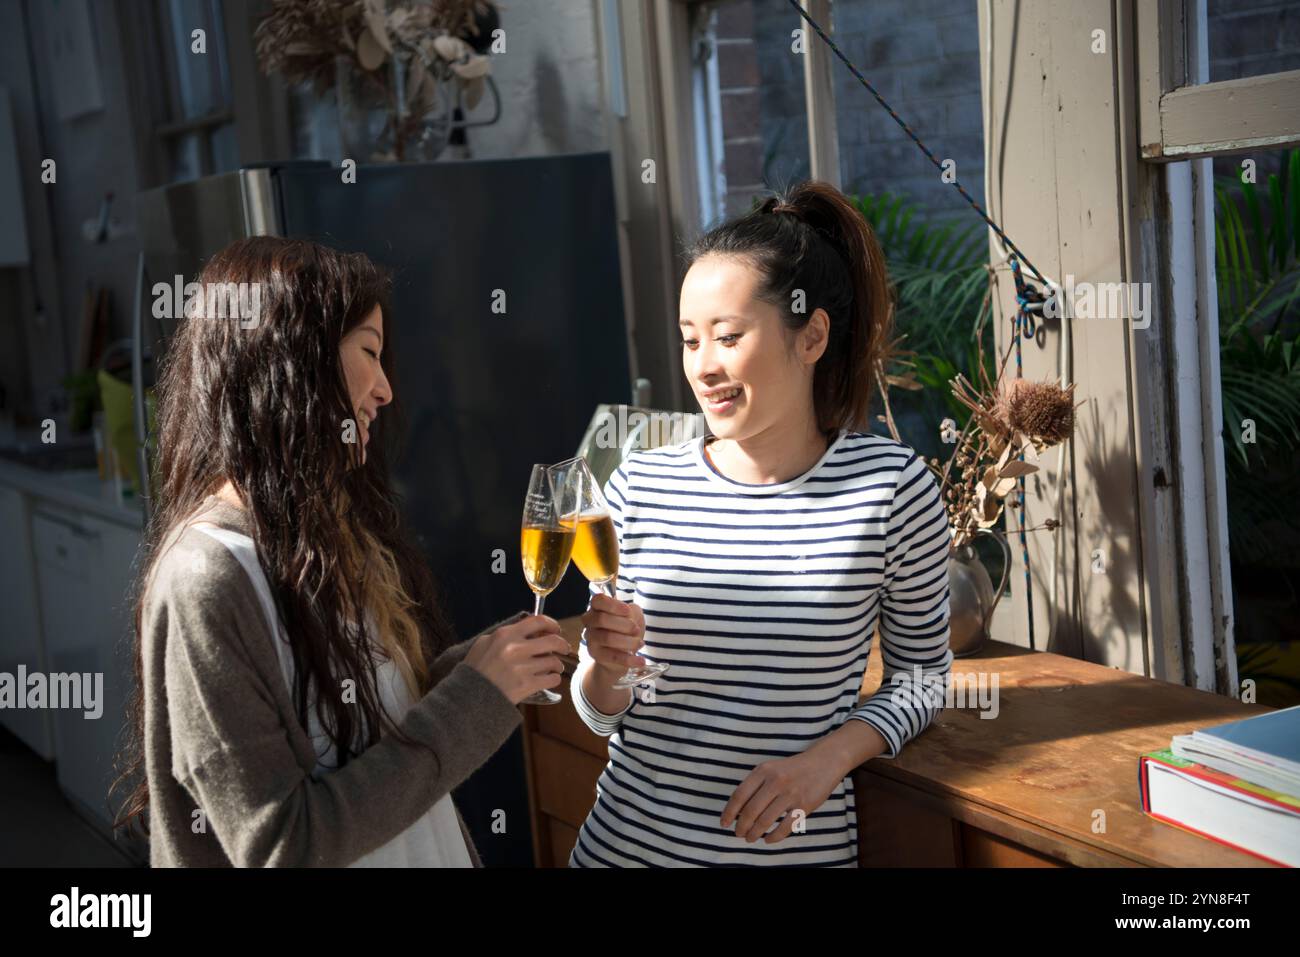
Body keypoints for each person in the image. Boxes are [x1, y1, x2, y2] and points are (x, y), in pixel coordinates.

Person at [111, 236, 569, 867]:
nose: (384, 390)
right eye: (369, 353)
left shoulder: (324, 535)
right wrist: (476, 700)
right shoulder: (206, 578)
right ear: (291, 359)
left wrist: (496, 664)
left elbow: (372, 729)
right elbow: (281, 843)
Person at [569, 181, 954, 866]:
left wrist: (828, 759)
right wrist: (604, 665)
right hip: (622, 849)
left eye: (728, 336)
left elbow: (923, 677)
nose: (703, 366)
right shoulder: (639, 486)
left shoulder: (890, 489)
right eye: (691, 340)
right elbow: (601, 710)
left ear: (811, 336)